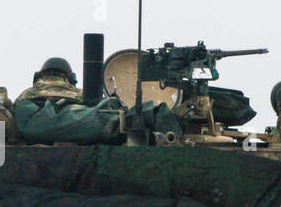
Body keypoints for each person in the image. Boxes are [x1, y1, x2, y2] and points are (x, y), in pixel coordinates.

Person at [13, 57, 180, 144]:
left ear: (39, 76)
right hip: (100, 127)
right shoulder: (81, 93)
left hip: (35, 130)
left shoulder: (27, 95)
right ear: (71, 78)